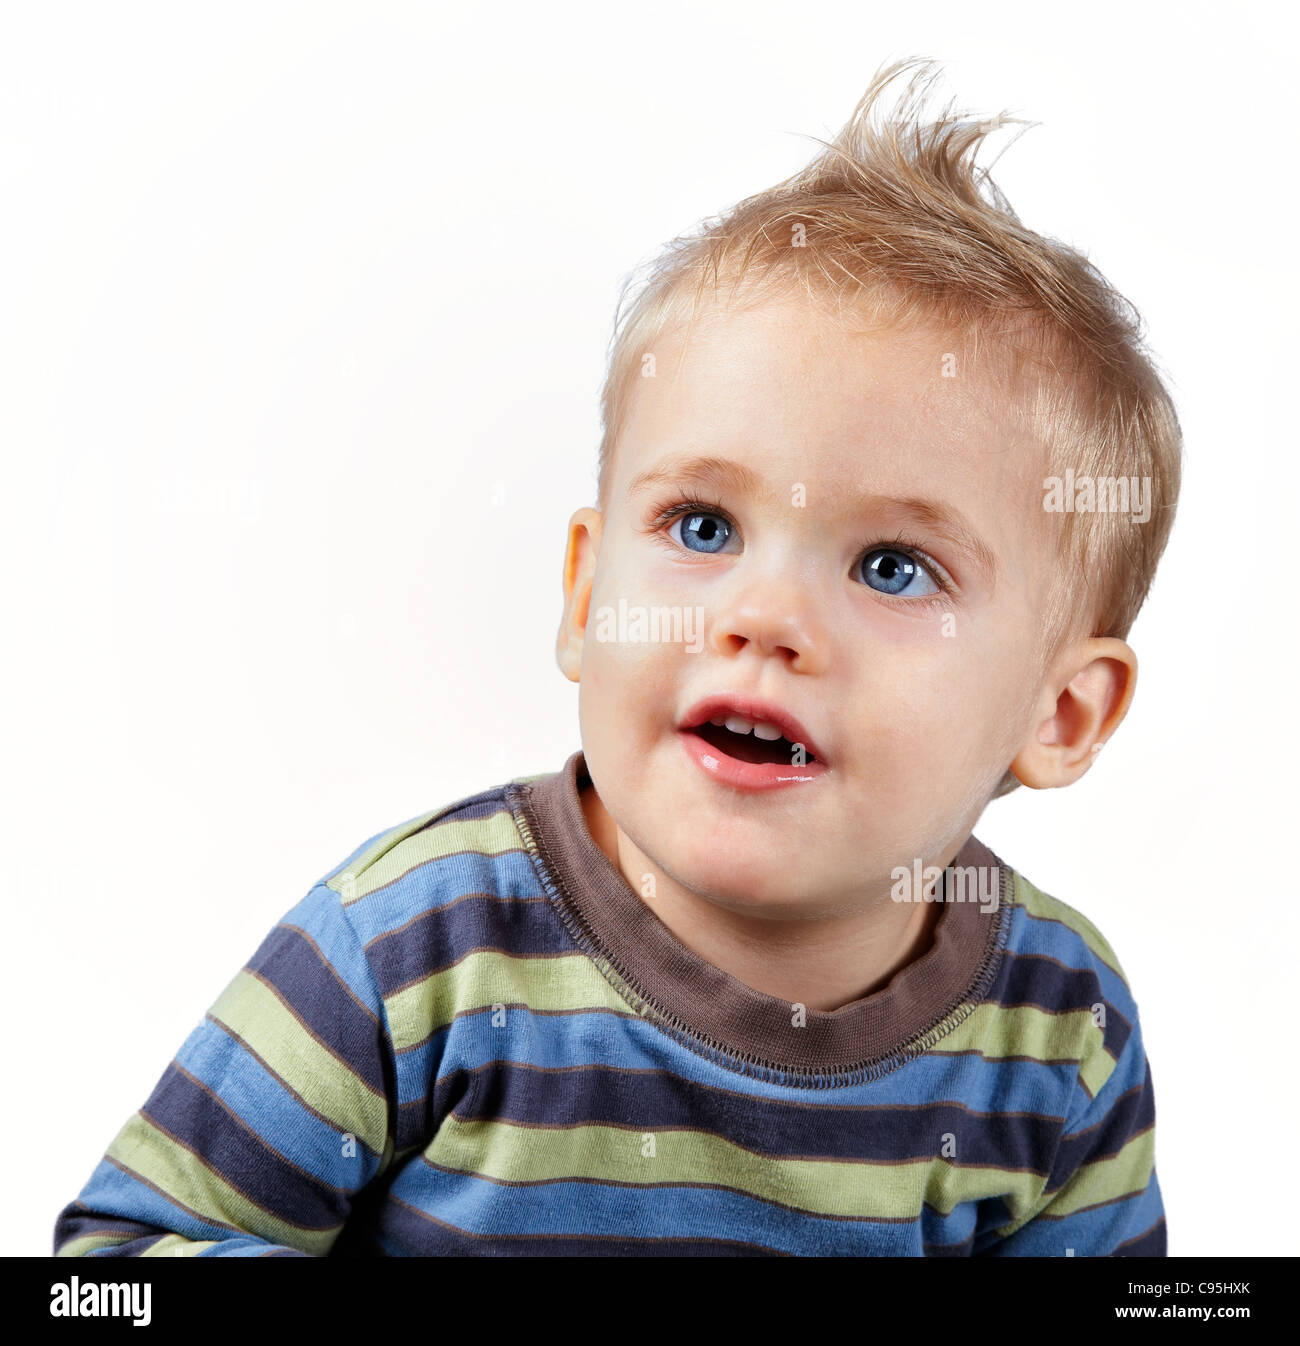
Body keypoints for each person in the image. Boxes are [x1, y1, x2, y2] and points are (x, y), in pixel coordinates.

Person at [55, 58, 1175, 1257]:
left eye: (892, 566)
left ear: (1061, 712)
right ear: (588, 594)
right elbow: (113, 1266)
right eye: (702, 527)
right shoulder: (416, 946)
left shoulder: (1058, 1033)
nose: (764, 616)